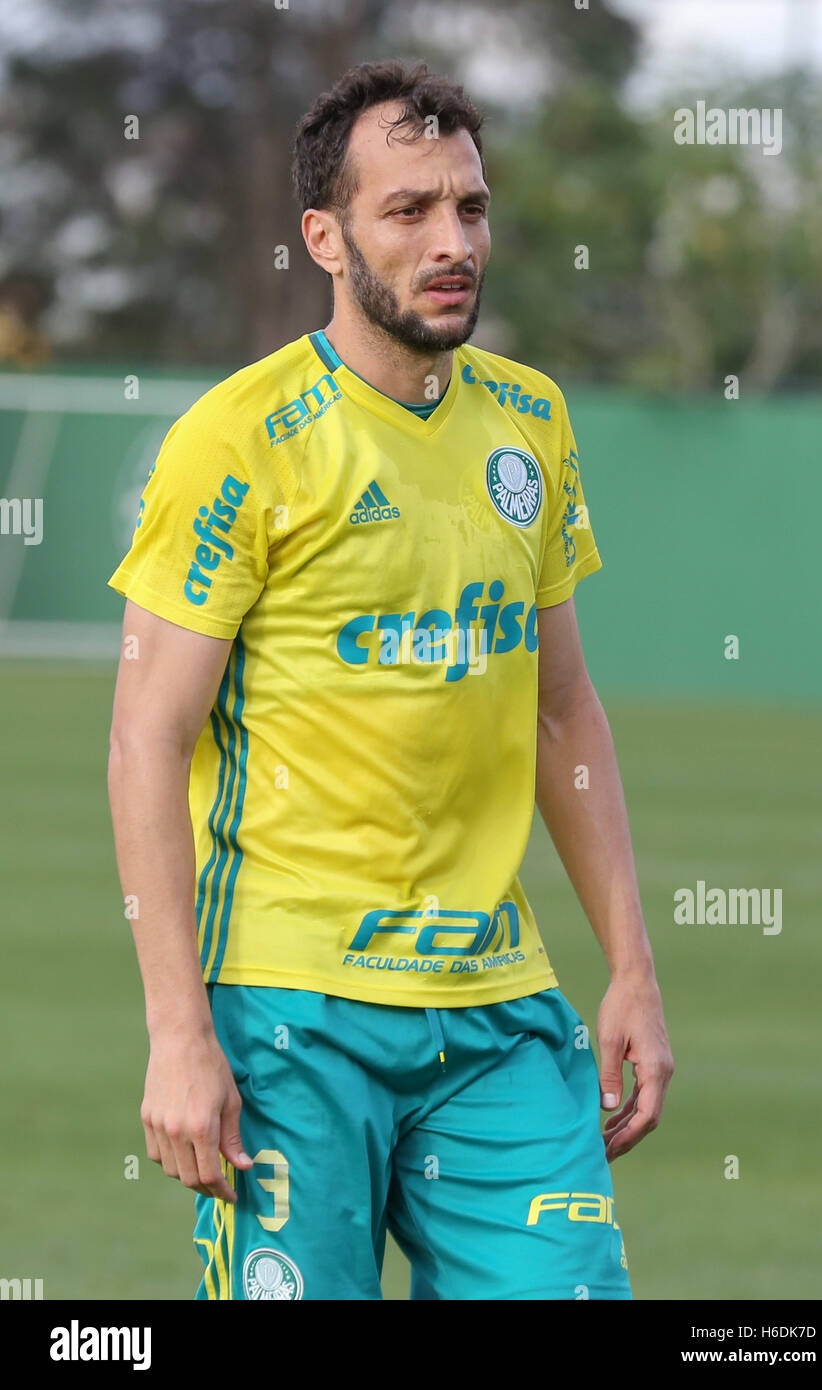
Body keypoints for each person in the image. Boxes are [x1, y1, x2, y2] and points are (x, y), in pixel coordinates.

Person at [106, 58, 673, 1302]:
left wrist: (629, 962)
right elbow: (146, 739)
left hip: (496, 1010)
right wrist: (176, 1031)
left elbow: (560, 707)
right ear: (325, 236)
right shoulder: (236, 439)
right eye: (407, 210)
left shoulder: (531, 421)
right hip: (290, 1014)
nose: (451, 239)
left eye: (468, 208)